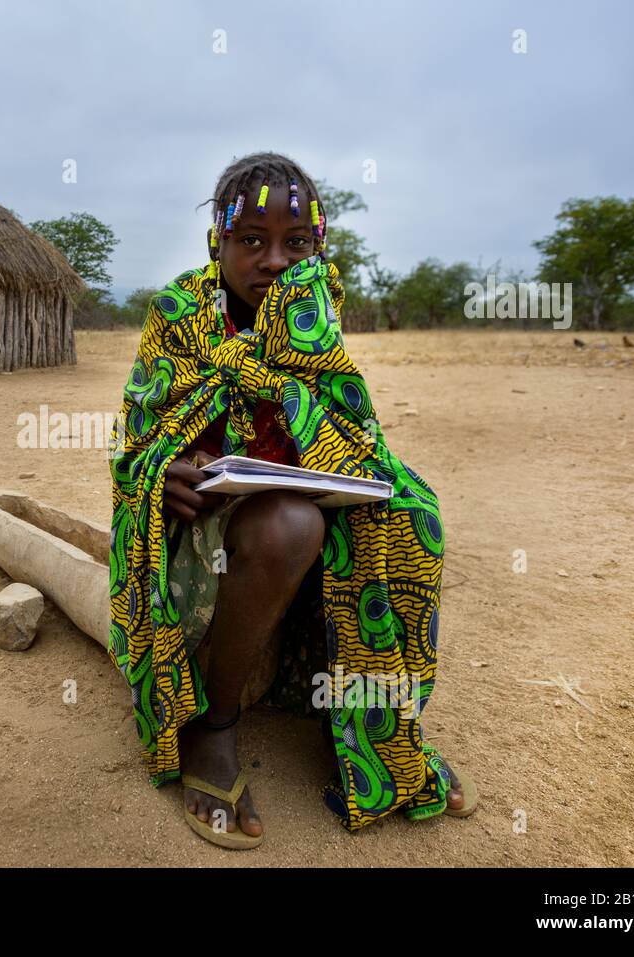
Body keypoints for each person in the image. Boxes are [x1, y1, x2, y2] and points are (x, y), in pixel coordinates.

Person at [108, 151, 476, 847]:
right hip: (201, 546)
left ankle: (380, 729)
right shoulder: (179, 318)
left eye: (296, 243)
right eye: (251, 240)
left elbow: (350, 431)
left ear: (318, 248)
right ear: (216, 243)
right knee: (289, 524)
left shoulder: (316, 322)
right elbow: (134, 448)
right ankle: (215, 730)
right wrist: (169, 472)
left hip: (296, 542)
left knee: (409, 512)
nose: (274, 260)